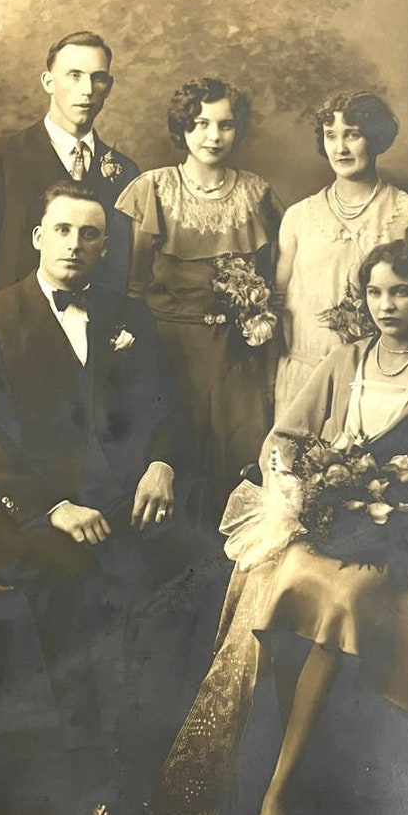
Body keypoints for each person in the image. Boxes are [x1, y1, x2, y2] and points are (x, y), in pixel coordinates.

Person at [150, 239, 408, 815]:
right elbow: (285, 437)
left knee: (339, 599)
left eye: (401, 291)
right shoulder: (348, 357)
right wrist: (298, 487)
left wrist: (390, 505)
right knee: (282, 579)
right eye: (375, 292)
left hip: (396, 544)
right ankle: (267, 759)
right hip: (327, 527)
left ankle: (279, 791)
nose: (385, 305)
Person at [0, 181, 187, 815]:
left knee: (189, 582)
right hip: (29, 520)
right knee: (89, 601)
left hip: (124, 511)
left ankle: (160, 776)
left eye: (89, 234)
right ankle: (103, 792)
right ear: (37, 237)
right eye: (62, 230)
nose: (75, 245)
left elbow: (168, 407)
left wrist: (163, 463)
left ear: (105, 248)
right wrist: (53, 507)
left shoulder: (127, 316)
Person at [116, 77, 285, 525]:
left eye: (225, 125)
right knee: (174, 464)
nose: (213, 136)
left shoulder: (257, 194)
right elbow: (131, 286)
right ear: (182, 127)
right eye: (201, 123)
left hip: (237, 358)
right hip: (168, 353)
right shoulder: (153, 189)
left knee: (239, 467)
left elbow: (274, 280)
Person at [0, 31, 139, 354]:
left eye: (98, 78)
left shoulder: (125, 172)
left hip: (94, 358)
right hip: (10, 350)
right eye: (74, 75)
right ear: (48, 81)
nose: (87, 90)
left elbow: (123, 272)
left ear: (109, 87)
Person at [274, 91, 408, 417]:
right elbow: (279, 303)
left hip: (379, 377)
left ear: (375, 138)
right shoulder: (298, 217)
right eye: (331, 135)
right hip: (305, 377)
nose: (340, 148)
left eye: (353, 135)